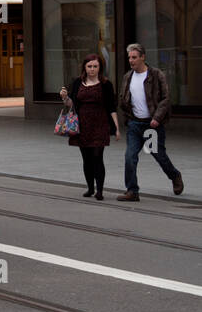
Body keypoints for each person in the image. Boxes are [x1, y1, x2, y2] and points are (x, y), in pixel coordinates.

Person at [117, 44, 185, 201]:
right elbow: (123, 98)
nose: (131, 60)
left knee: (158, 155)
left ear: (142, 57)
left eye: (134, 57)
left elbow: (166, 99)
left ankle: (175, 175)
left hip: (151, 126)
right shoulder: (128, 77)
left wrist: (156, 118)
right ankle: (132, 191)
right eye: (129, 57)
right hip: (135, 125)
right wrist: (127, 118)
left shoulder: (156, 74)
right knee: (130, 156)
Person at [59, 53, 119, 200]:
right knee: (86, 158)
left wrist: (117, 128)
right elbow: (71, 104)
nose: (92, 69)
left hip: (100, 124)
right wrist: (65, 97)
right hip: (82, 124)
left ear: (100, 68)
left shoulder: (106, 84)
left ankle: (100, 190)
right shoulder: (78, 82)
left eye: (95, 66)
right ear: (84, 67)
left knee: (98, 156)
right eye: (89, 66)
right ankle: (90, 188)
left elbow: (112, 107)